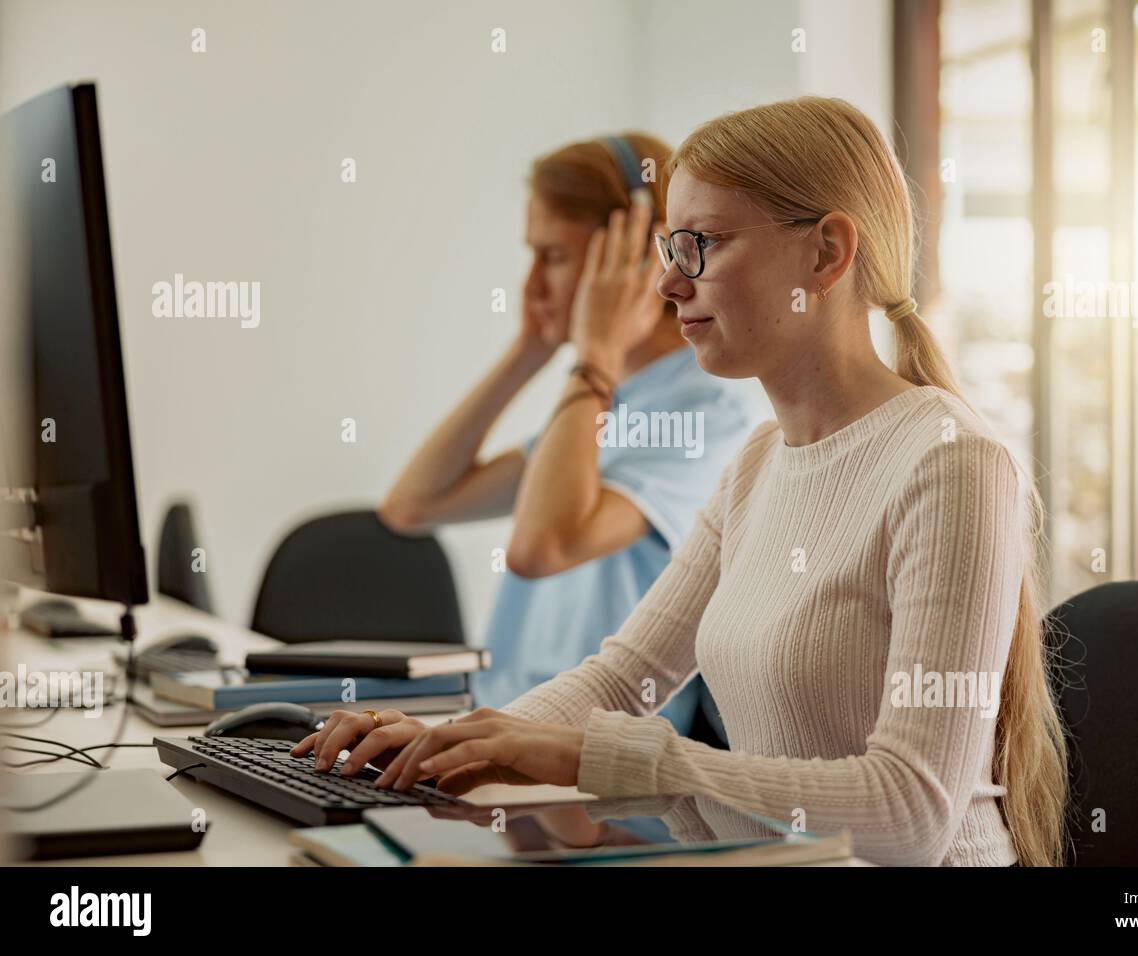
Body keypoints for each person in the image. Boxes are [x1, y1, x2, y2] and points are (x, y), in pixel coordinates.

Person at [298, 98, 1069, 867]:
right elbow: (624, 675)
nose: (668, 284)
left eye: (701, 245)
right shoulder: (758, 465)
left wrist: (614, 762)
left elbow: (910, 817)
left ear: (826, 254)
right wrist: (449, 747)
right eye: (670, 247)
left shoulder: (952, 462)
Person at [376, 133, 762, 740]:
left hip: (591, 764)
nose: (531, 284)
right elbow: (411, 506)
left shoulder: (707, 408)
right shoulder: (602, 400)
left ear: (639, 255)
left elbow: (542, 547)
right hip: (503, 728)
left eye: (552, 257)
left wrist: (596, 356)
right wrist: (528, 351)